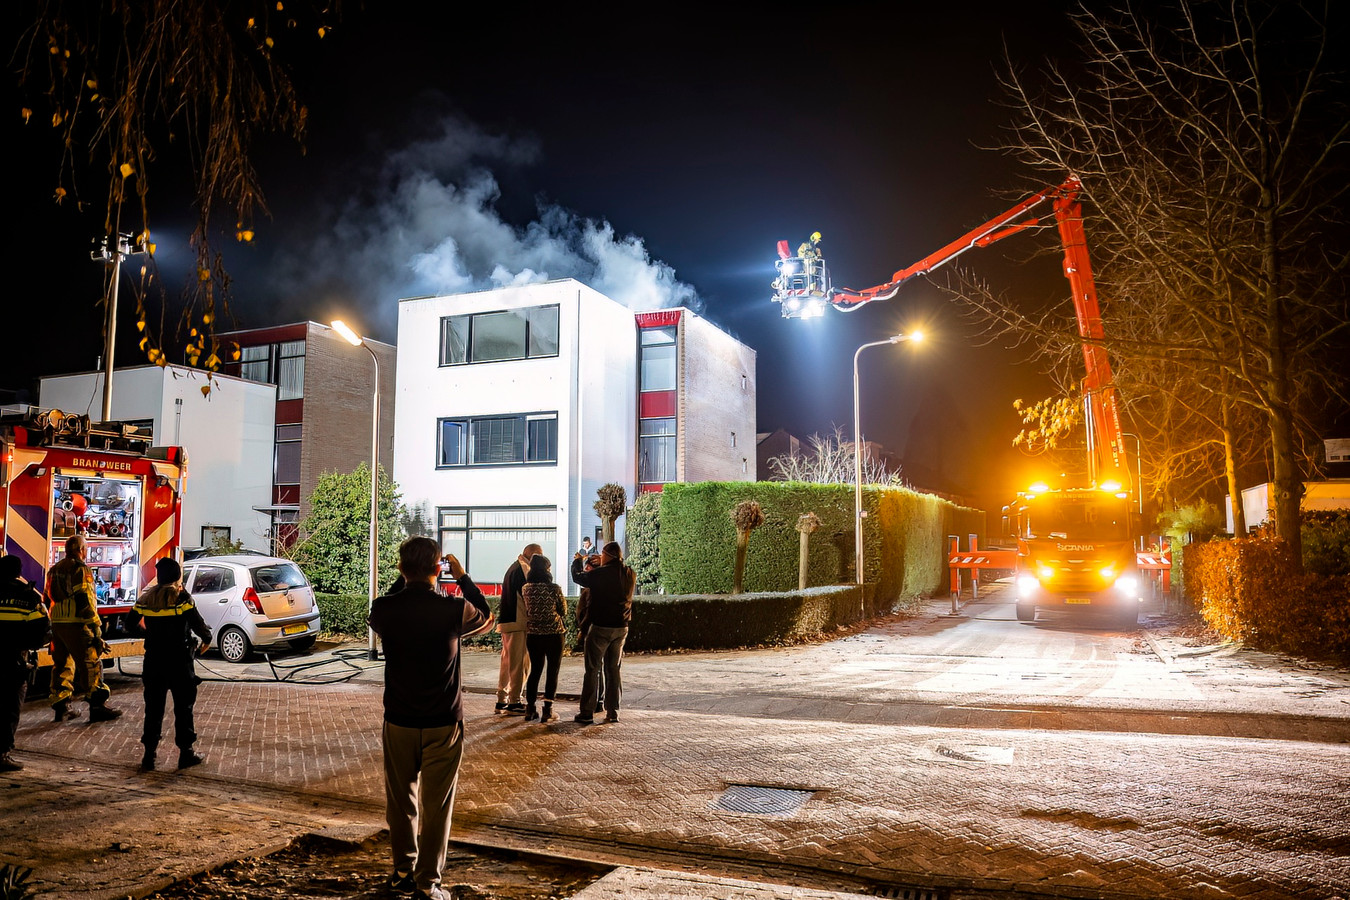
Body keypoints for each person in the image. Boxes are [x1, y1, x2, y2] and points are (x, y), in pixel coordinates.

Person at [369, 539, 493, 900]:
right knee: (437, 806)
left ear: (401, 569)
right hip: (443, 721)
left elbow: (385, 607)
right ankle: (428, 883)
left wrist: (405, 579)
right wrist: (464, 578)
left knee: (400, 802)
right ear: (438, 568)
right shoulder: (452, 610)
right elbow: (486, 616)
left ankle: (401, 871)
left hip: (399, 720)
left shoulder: (385, 610)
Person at [133, 558, 212, 771]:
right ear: (177, 577)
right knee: (184, 708)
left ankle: (149, 756)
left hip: (154, 662)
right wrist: (206, 640)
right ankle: (186, 753)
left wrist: (148, 634)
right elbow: (198, 623)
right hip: (179, 662)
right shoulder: (183, 598)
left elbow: (129, 624)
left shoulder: (147, 598)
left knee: (153, 708)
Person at [47, 534, 121, 723]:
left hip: (57, 623)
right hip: (77, 623)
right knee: (91, 664)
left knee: (62, 665)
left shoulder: (54, 570)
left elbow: (47, 598)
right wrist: (96, 629)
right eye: (86, 548)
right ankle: (97, 707)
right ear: (81, 550)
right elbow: (84, 600)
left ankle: (62, 707)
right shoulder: (81, 569)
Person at [570, 541, 635, 725]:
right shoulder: (629, 573)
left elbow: (578, 577)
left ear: (607, 555)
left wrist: (577, 561)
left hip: (601, 626)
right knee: (614, 669)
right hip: (621, 627)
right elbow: (615, 569)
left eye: (603, 554)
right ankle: (613, 711)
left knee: (593, 669)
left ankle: (587, 712)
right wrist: (607, 561)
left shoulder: (599, 574)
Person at [0, 555, 50, 772]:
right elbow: (42, 630)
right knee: (10, 708)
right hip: (13, 661)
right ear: (18, 572)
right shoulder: (28, 597)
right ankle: (2, 754)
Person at [520, 555, 566, 723]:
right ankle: (548, 710)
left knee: (535, 670)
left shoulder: (526, 588)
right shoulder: (554, 588)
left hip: (533, 634)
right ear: (546, 569)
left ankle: (530, 708)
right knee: (552, 671)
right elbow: (563, 610)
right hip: (554, 633)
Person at [495, 543, 539, 715]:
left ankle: (501, 699)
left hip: (508, 622)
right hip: (519, 622)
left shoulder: (513, 568)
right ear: (533, 555)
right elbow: (528, 596)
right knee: (520, 663)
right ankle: (515, 701)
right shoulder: (523, 569)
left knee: (507, 662)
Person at [572, 553, 604, 712]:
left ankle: (589, 708)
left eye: (588, 566)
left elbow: (587, 611)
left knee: (593, 668)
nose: (586, 569)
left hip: (593, 630)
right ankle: (601, 702)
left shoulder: (591, 586)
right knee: (603, 667)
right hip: (608, 627)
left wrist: (583, 630)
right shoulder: (612, 579)